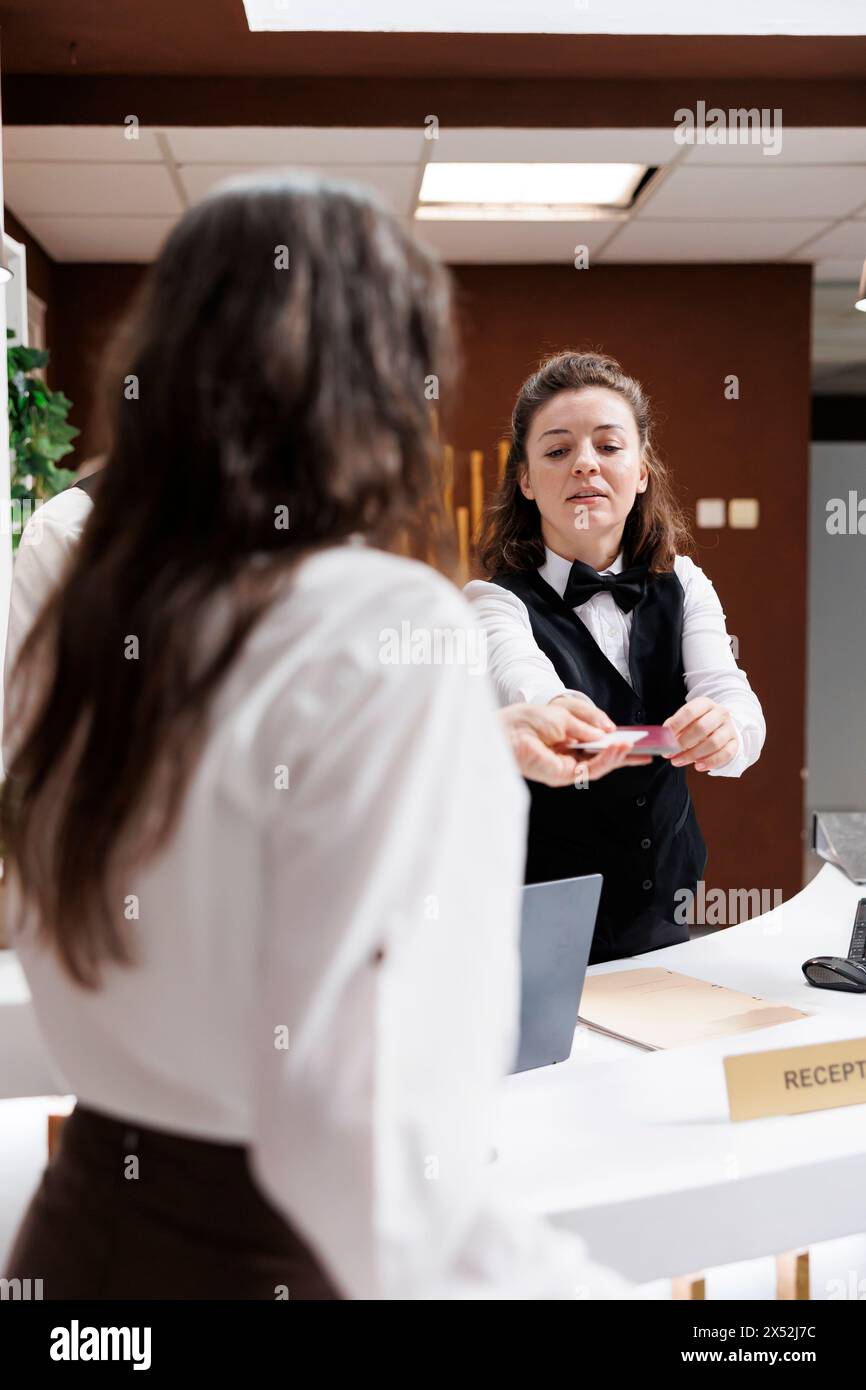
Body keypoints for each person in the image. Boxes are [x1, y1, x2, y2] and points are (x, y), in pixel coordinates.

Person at [1, 175, 635, 1301]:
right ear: (380, 384)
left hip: (83, 1236)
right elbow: (364, 1155)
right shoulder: (387, 623)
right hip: (281, 1262)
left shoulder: (81, 608)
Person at [466, 351, 766, 964]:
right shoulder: (493, 602)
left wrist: (725, 729)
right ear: (525, 479)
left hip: (670, 897)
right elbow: (526, 683)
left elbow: (735, 701)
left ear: (642, 471)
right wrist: (560, 712)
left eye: (609, 446)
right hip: (542, 906)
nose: (585, 464)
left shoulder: (686, 582)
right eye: (557, 451)